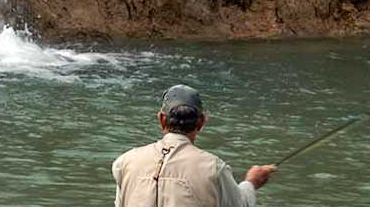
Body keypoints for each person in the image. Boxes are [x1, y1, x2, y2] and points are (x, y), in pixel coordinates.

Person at [112, 85, 278, 206]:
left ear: (162, 120)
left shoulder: (124, 162)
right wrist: (251, 183)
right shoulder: (214, 168)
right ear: (201, 122)